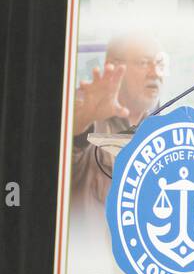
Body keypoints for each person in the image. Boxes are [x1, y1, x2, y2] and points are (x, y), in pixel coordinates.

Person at [69, 32, 165, 215]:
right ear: (112, 66)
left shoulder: (164, 131)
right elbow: (68, 148)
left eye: (160, 63)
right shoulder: (87, 118)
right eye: (143, 63)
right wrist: (82, 120)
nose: (156, 73)